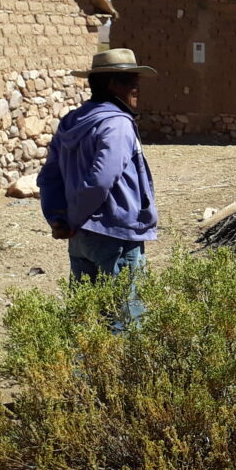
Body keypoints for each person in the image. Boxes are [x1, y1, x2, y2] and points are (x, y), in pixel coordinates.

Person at [39, 48, 159, 323]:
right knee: (122, 322)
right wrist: (72, 218)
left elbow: (50, 176)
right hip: (115, 237)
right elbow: (101, 180)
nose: (137, 88)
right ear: (114, 85)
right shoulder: (117, 124)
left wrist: (59, 218)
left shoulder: (72, 121)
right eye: (131, 81)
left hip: (80, 238)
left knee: (86, 322)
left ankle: (85, 368)